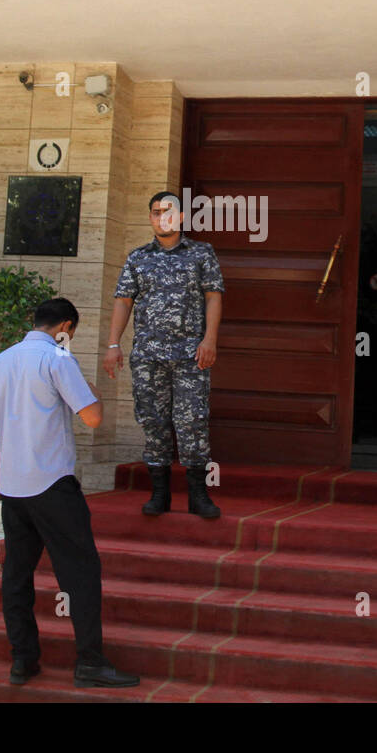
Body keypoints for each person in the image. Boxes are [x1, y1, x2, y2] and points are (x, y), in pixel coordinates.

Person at [0, 296, 138, 689]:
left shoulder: (1, 361)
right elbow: (92, 416)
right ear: (66, 327)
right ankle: (89, 662)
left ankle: (23, 660)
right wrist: (92, 390)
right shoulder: (57, 359)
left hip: (12, 486)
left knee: (17, 575)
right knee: (80, 573)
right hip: (52, 483)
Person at [104, 190, 224, 518]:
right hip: (148, 355)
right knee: (153, 422)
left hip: (191, 355)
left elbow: (213, 296)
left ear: (182, 217)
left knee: (192, 422)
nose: (162, 217)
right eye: (156, 212)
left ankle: (198, 497)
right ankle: (160, 495)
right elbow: (123, 301)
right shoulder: (137, 258)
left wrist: (210, 339)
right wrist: (113, 344)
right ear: (150, 217)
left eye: (168, 211)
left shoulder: (201, 254)